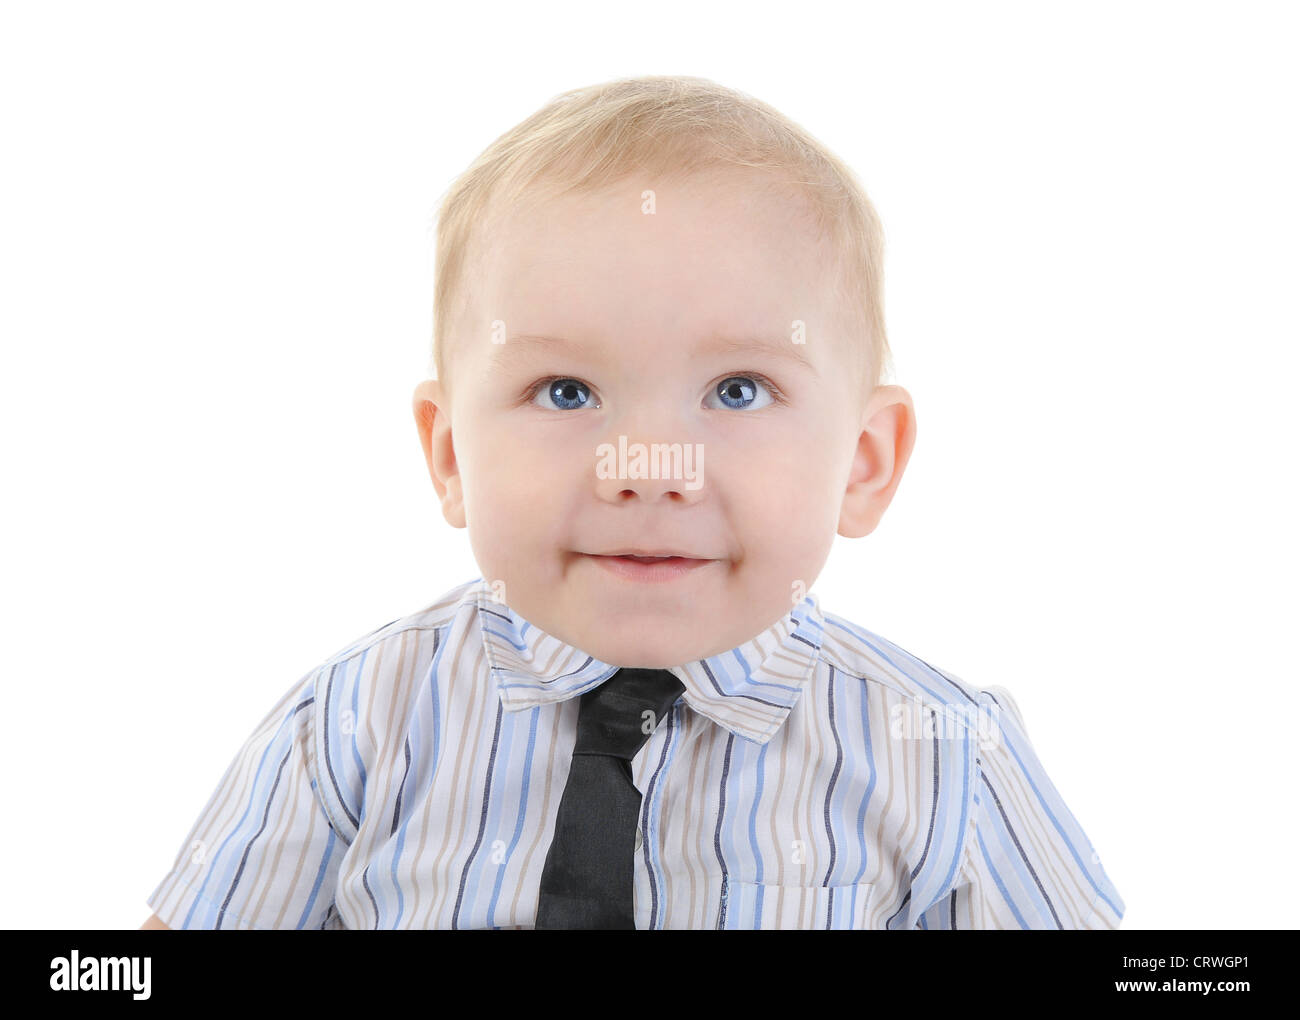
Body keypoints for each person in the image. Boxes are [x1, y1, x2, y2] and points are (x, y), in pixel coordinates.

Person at [140, 75, 1124, 930]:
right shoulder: (356, 725)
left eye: (737, 391)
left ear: (864, 462)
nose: (649, 467)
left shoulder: (943, 757)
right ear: (448, 454)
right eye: (565, 392)